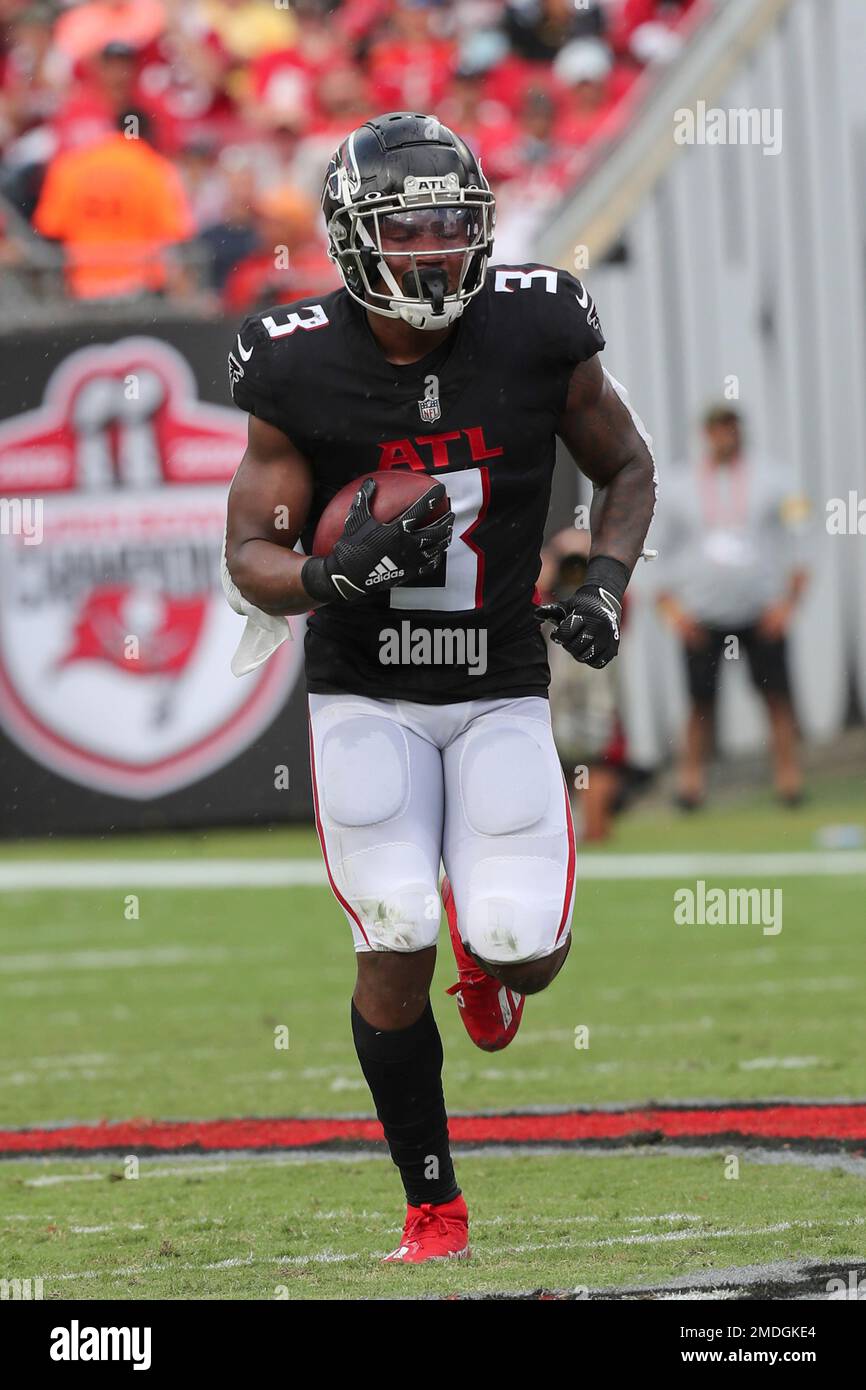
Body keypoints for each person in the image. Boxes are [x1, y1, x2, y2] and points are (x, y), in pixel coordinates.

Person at [224, 112, 656, 1263]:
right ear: (354, 241)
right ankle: (433, 1203)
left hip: (501, 680)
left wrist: (606, 583)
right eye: (407, 225)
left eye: (452, 223)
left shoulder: (535, 326)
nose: (434, 247)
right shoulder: (296, 361)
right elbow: (249, 558)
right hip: (363, 691)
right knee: (395, 923)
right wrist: (327, 571)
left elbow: (624, 468)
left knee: (522, 943)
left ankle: (492, 966)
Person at [655, 404, 809, 807]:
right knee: (699, 702)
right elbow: (660, 550)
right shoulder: (680, 483)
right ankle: (691, 783)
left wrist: (788, 605)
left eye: (734, 428)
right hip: (702, 613)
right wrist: (672, 611)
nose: (729, 436)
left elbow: (801, 539)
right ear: (707, 434)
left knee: (777, 696)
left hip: (761, 611)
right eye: (720, 429)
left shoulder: (775, 478)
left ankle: (788, 779)